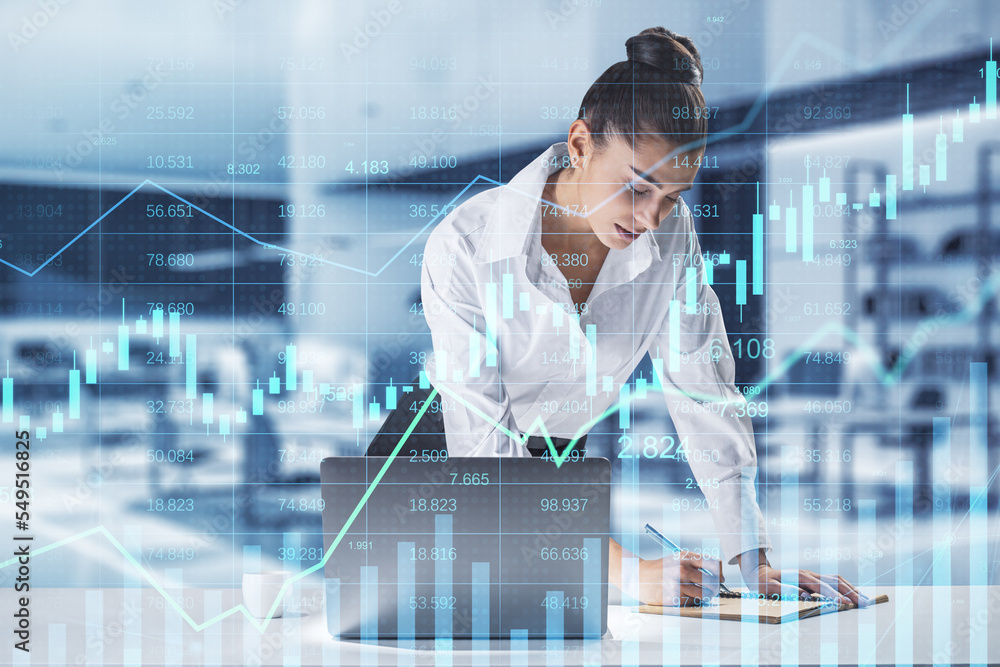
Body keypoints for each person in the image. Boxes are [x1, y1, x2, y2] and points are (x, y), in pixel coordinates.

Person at [369, 26, 867, 608]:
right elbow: (484, 452)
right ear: (580, 145)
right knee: (416, 625)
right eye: (636, 189)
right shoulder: (466, 245)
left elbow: (704, 390)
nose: (652, 219)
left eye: (671, 198)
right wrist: (629, 572)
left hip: (554, 461)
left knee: (547, 634)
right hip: (436, 460)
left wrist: (752, 562)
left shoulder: (672, 239)